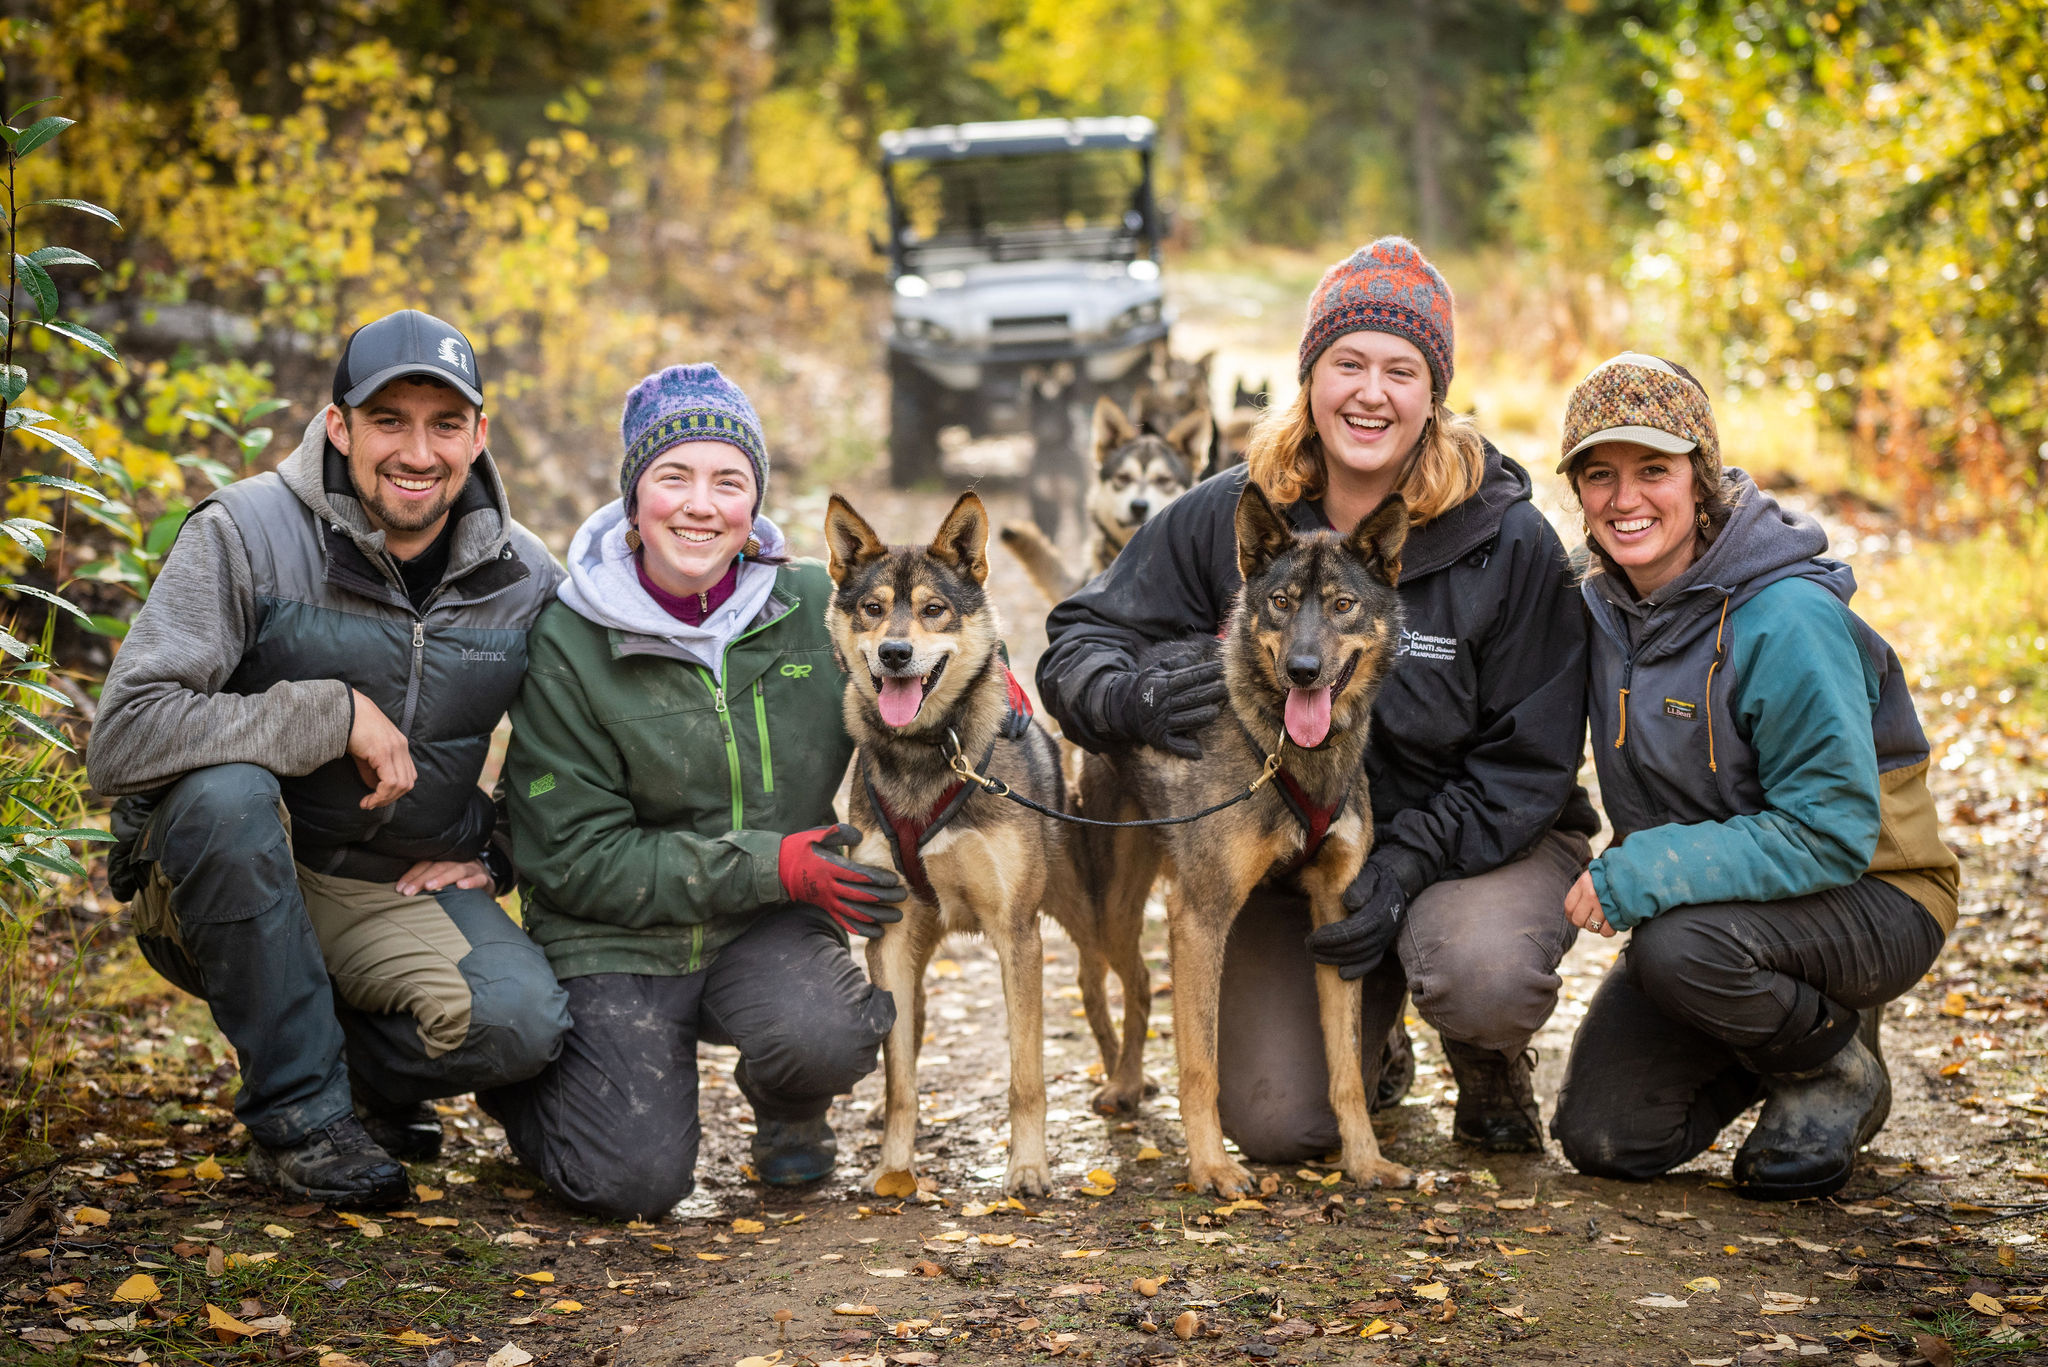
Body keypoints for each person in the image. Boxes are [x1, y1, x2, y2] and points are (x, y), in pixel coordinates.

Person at [1038, 238, 1599, 1158]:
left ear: (1434, 393)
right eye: (1347, 363)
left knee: (1480, 970)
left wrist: (1404, 865)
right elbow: (1080, 634)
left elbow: (1530, 766)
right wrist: (1132, 696)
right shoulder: (1240, 509)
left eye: (1400, 370)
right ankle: (1372, 1042)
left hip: (1473, 851)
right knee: (1275, 1122)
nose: (1370, 393)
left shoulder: (1507, 542)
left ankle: (1485, 1047)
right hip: (1288, 847)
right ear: (1309, 378)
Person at [88, 309, 572, 1207]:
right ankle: (300, 1119)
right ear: (339, 426)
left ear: (479, 435)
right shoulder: (243, 531)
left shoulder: (525, 574)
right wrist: (327, 712)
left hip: (386, 883)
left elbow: (571, 746)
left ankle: (349, 1079)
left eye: (445, 424)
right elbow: (124, 735)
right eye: (389, 420)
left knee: (520, 1023)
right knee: (227, 795)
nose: (418, 452)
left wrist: (499, 848)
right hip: (224, 866)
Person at [482, 364, 902, 1220]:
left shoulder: (814, 606)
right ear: (634, 498)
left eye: (729, 482)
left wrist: (985, 692)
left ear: (755, 503)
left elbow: (915, 652)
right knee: (630, 1183)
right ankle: (535, 1088)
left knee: (829, 1031)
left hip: (763, 922)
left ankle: (790, 1103)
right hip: (613, 936)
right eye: (674, 477)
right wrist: (774, 865)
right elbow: (575, 859)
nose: (700, 506)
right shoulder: (570, 637)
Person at [1546, 353, 1958, 1198]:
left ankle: (1833, 1069)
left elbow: (1831, 831)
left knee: (1677, 950)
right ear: (1578, 492)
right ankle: (1789, 1026)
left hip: (1875, 892)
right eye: (1599, 474)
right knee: (1606, 1134)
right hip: (1725, 909)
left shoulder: (1787, 616)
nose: (1624, 498)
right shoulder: (1601, 606)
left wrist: (1646, 868)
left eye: (1653, 469)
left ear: (1701, 478)